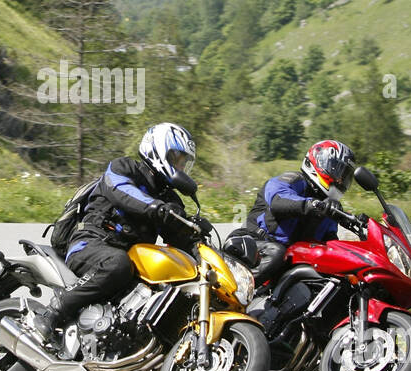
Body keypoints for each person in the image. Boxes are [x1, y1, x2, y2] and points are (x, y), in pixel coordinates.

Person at [32, 122, 209, 341]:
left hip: (127, 261)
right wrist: (157, 208)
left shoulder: (169, 199)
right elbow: (121, 191)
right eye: (176, 159)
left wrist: (203, 245)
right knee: (117, 264)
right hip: (89, 243)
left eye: (183, 163)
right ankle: (54, 312)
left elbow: (180, 238)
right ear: (158, 149)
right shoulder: (124, 169)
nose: (180, 167)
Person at [228, 140, 356, 283]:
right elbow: (279, 202)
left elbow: (330, 244)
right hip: (248, 245)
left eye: (345, 176)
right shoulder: (292, 180)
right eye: (336, 170)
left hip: (287, 260)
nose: (340, 180)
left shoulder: (330, 208)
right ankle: (238, 293)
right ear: (319, 162)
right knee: (276, 253)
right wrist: (313, 205)